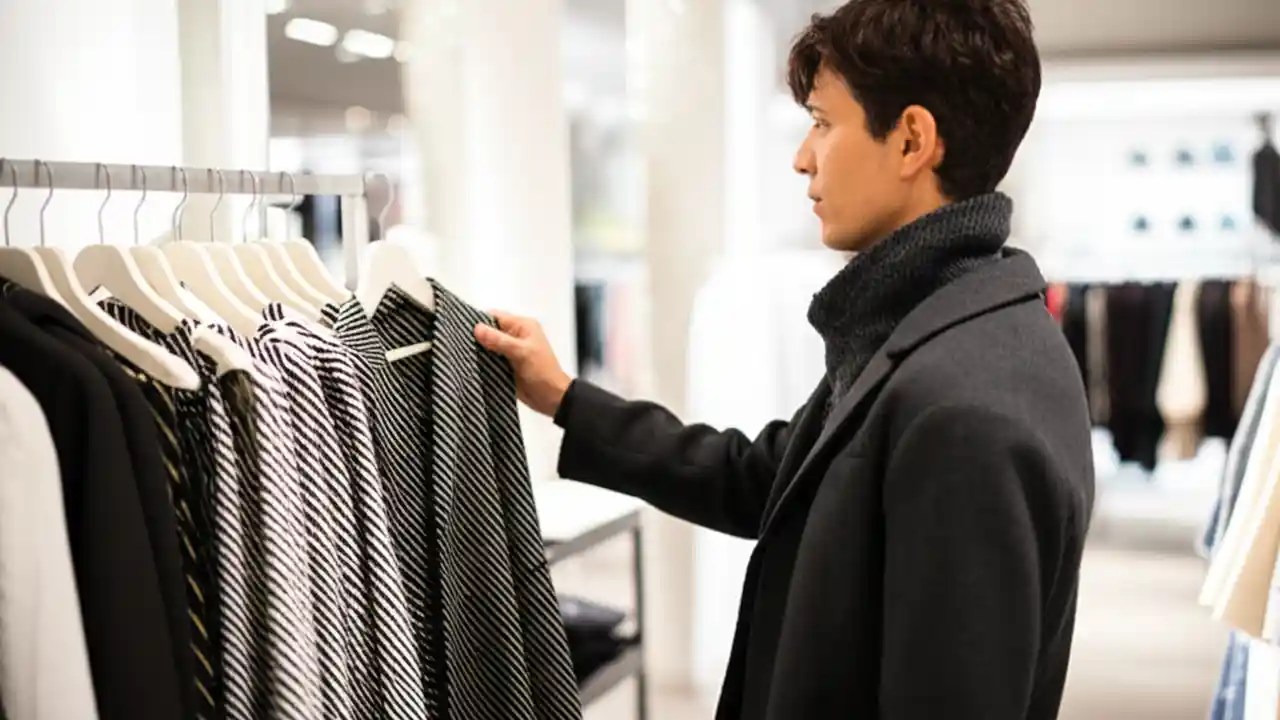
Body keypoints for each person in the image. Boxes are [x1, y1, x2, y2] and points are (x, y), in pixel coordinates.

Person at [474, 0, 1094, 717]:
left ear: (911, 141)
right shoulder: (940, 326)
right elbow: (770, 477)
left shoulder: (961, 405)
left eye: (824, 123)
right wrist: (564, 396)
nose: (803, 157)